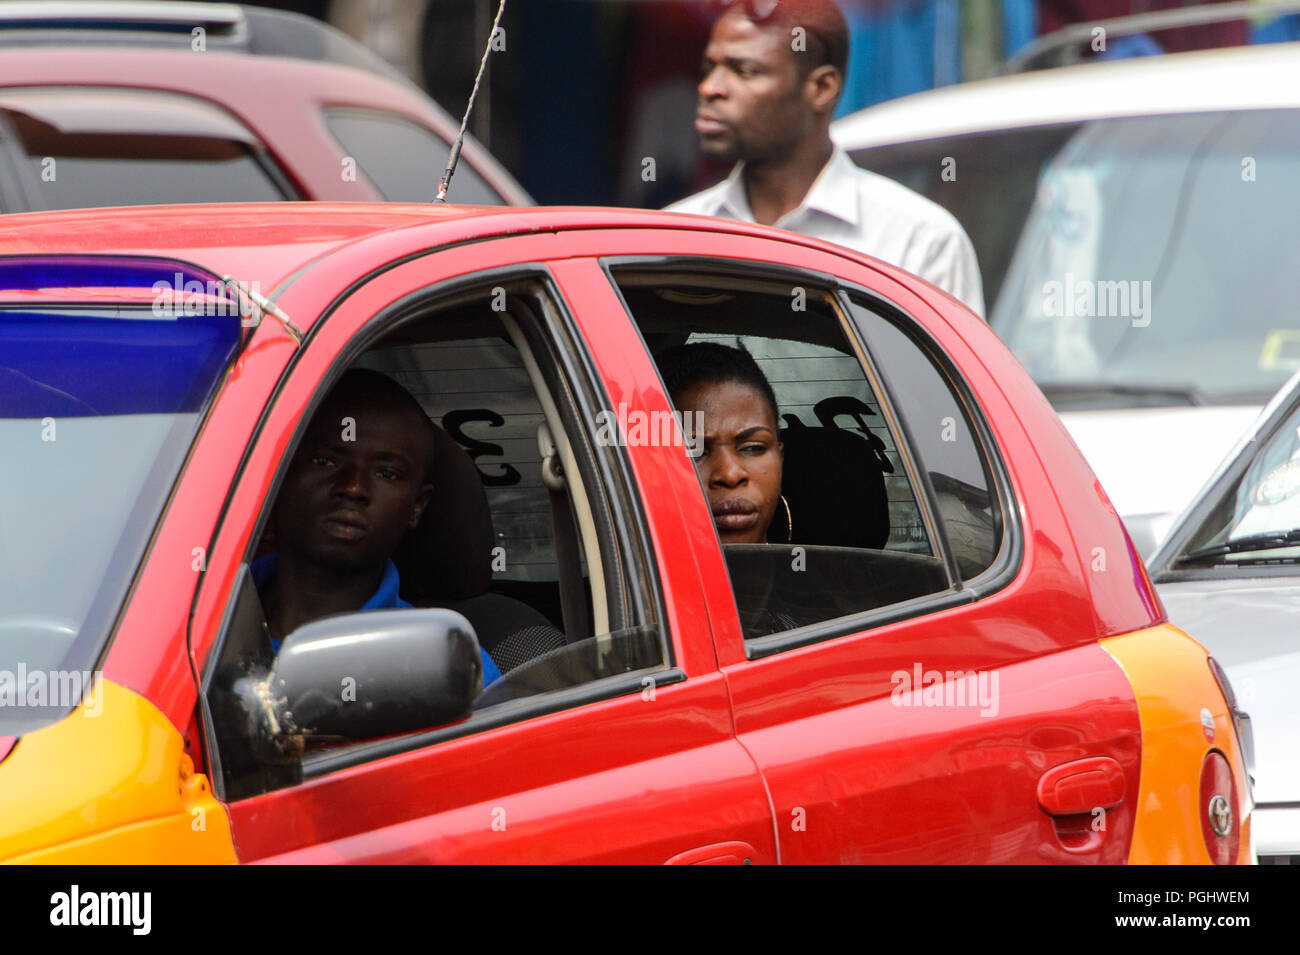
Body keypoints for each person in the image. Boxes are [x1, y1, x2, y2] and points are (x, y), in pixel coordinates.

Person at [667, 0, 985, 316]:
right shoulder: (673, 235)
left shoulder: (920, 241)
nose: (710, 88)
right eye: (711, 68)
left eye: (745, 71)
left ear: (822, 87)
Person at [254, 368, 502, 685]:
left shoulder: (446, 664)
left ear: (417, 507)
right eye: (325, 461)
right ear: (280, 474)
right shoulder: (197, 622)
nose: (354, 486)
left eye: (387, 473)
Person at [657, 342, 786, 544]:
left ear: (780, 458)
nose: (729, 474)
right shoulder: (604, 573)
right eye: (694, 451)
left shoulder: (826, 574)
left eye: (753, 447)